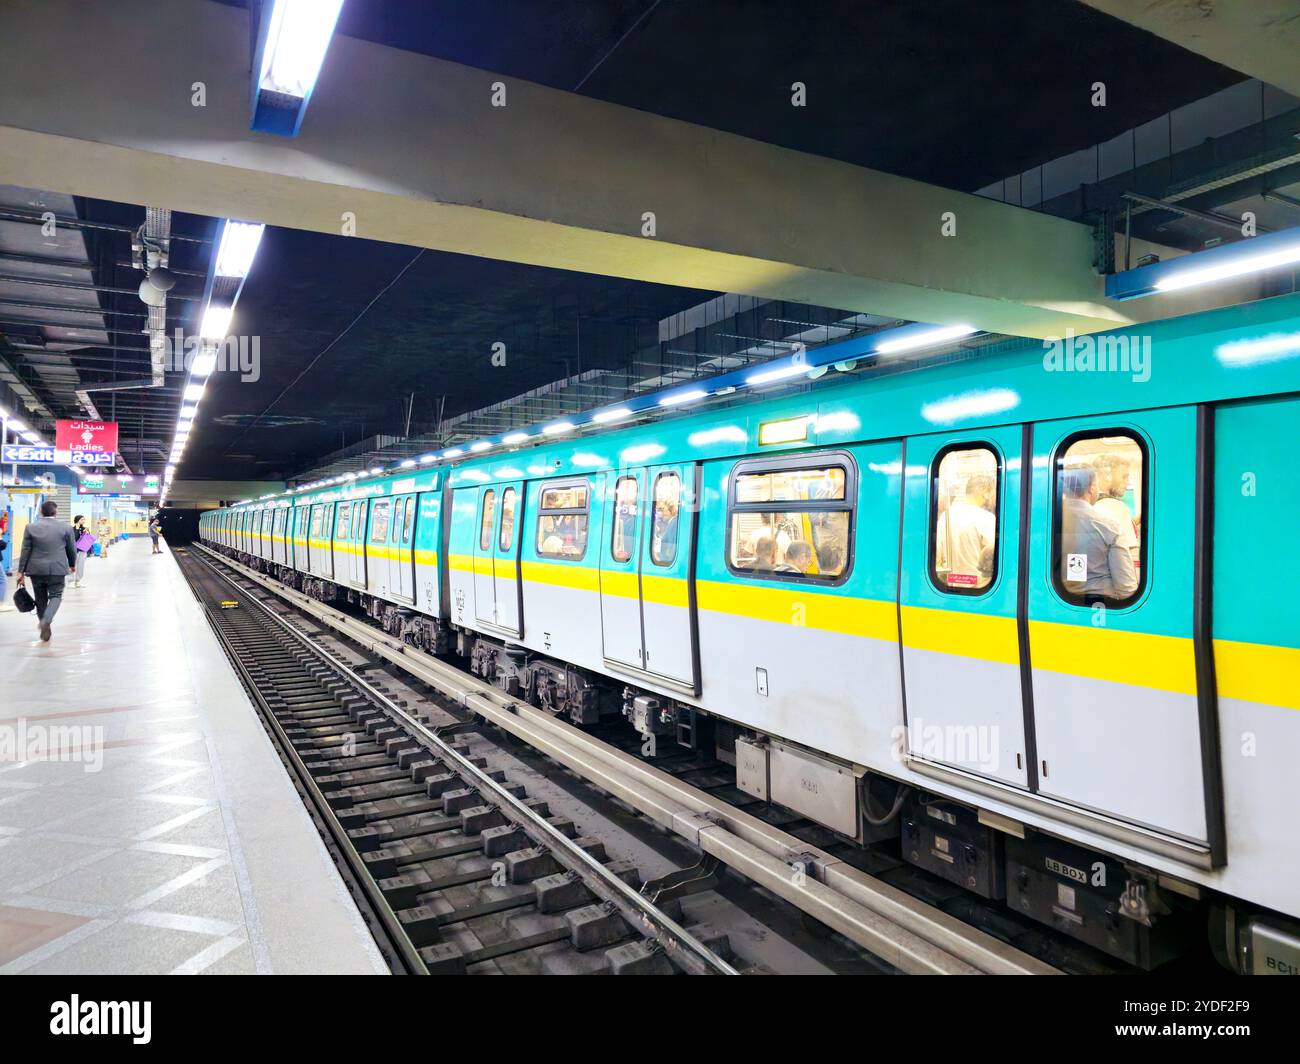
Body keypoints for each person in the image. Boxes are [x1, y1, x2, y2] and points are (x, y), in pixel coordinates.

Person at [1059, 466, 1138, 602]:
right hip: (1099, 606)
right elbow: (1126, 589)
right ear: (1092, 488)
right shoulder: (1109, 526)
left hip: (1058, 603)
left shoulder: (1047, 524)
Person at [17, 499, 77, 642]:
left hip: (36, 570)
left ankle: (45, 626)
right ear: (56, 512)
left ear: (41, 512)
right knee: (56, 595)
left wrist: (21, 572)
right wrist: (72, 564)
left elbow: (25, 550)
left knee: (40, 599)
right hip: (57, 569)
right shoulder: (66, 528)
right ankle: (46, 621)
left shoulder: (30, 527)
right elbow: (71, 549)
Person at [936, 474, 997, 589]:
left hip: (949, 585)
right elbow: (990, 553)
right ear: (984, 491)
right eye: (991, 492)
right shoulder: (987, 518)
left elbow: (938, 552)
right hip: (979, 587)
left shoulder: (946, 516)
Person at [1091, 455, 1139, 562]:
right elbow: (1131, 553)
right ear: (1107, 475)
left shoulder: (1090, 505)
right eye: (1124, 477)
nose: (1127, 482)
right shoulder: (1116, 506)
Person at [72, 514, 93, 587]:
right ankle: (71, 581)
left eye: (84, 519)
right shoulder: (72, 529)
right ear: (77, 520)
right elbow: (74, 538)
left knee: (81, 566)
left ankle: (78, 581)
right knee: (73, 565)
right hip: (74, 550)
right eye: (82, 519)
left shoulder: (85, 529)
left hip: (83, 550)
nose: (83, 521)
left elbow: (87, 540)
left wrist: (87, 533)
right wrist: (77, 529)